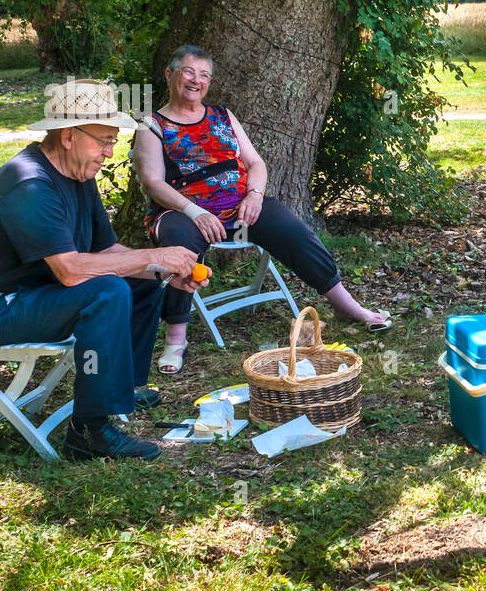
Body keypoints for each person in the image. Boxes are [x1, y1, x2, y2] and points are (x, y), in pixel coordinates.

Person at [0, 79, 208, 462]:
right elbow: (72, 271)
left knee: (139, 283)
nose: (109, 152)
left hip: (37, 294)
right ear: (69, 135)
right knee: (108, 291)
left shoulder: (77, 173)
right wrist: (153, 258)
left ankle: (120, 388)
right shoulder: (31, 183)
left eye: (113, 142)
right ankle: (89, 432)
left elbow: (107, 250)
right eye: (103, 141)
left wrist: (163, 270)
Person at [134, 45, 390, 374]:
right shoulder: (151, 126)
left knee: (292, 231)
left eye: (204, 75)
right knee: (179, 246)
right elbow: (153, 182)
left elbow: (255, 162)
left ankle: (346, 306)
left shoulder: (223, 116)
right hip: (184, 212)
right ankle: (175, 337)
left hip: (241, 208)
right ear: (169, 75)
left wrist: (254, 195)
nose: (196, 80)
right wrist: (194, 212)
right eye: (188, 72)